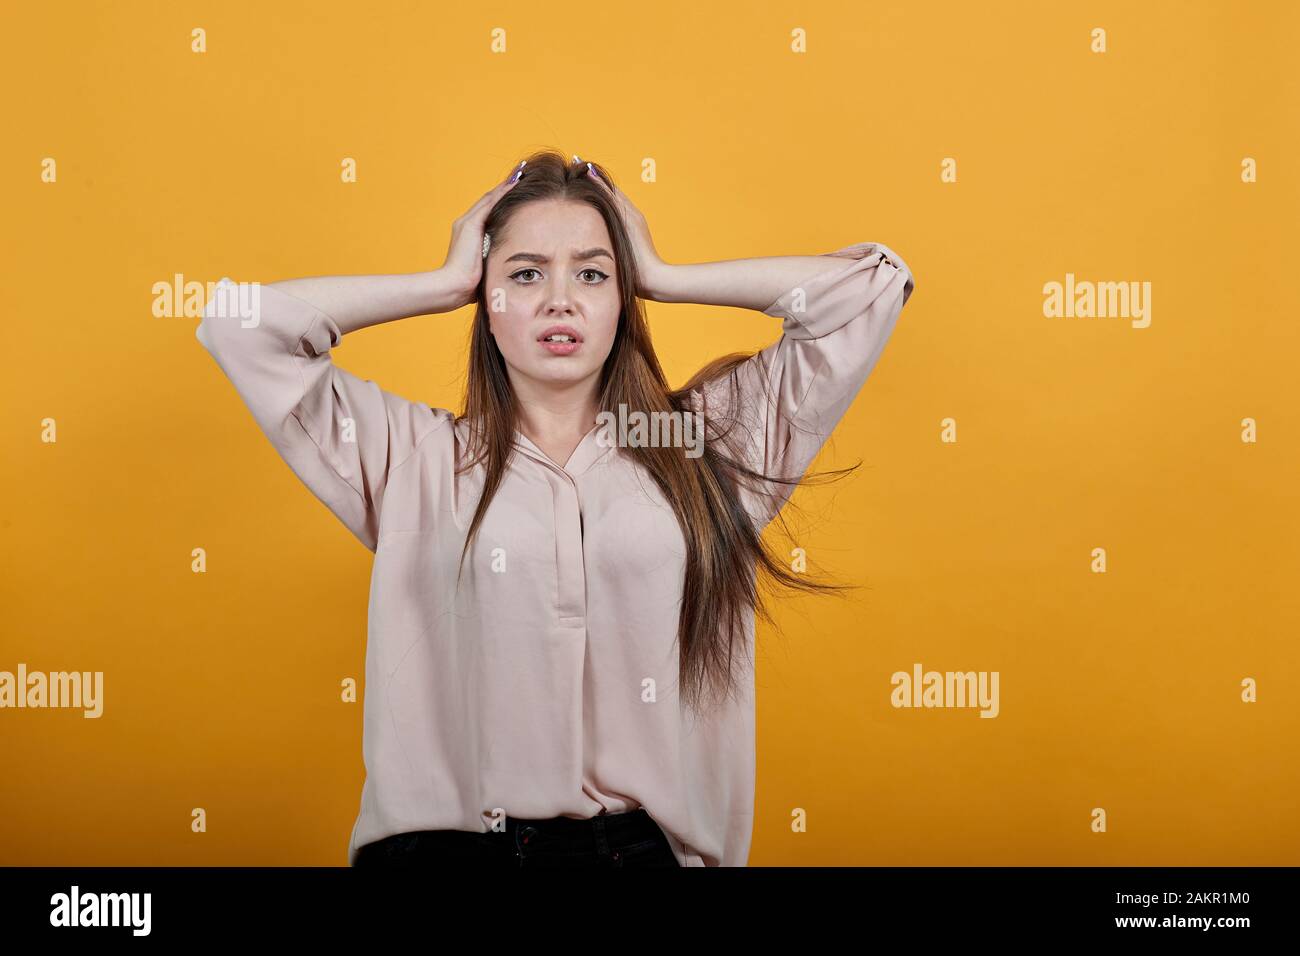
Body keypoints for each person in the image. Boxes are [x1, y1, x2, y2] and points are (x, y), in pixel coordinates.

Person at [195, 149, 915, 867]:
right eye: (525, 274)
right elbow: (238, 324)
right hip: (446, 854)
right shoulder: (411, 456)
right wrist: (442, 283)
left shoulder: (701, 446)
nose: (560, 300)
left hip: (641, 852)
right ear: (488, 300)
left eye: (594, 274)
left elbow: (870, 292)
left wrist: (662, 276)